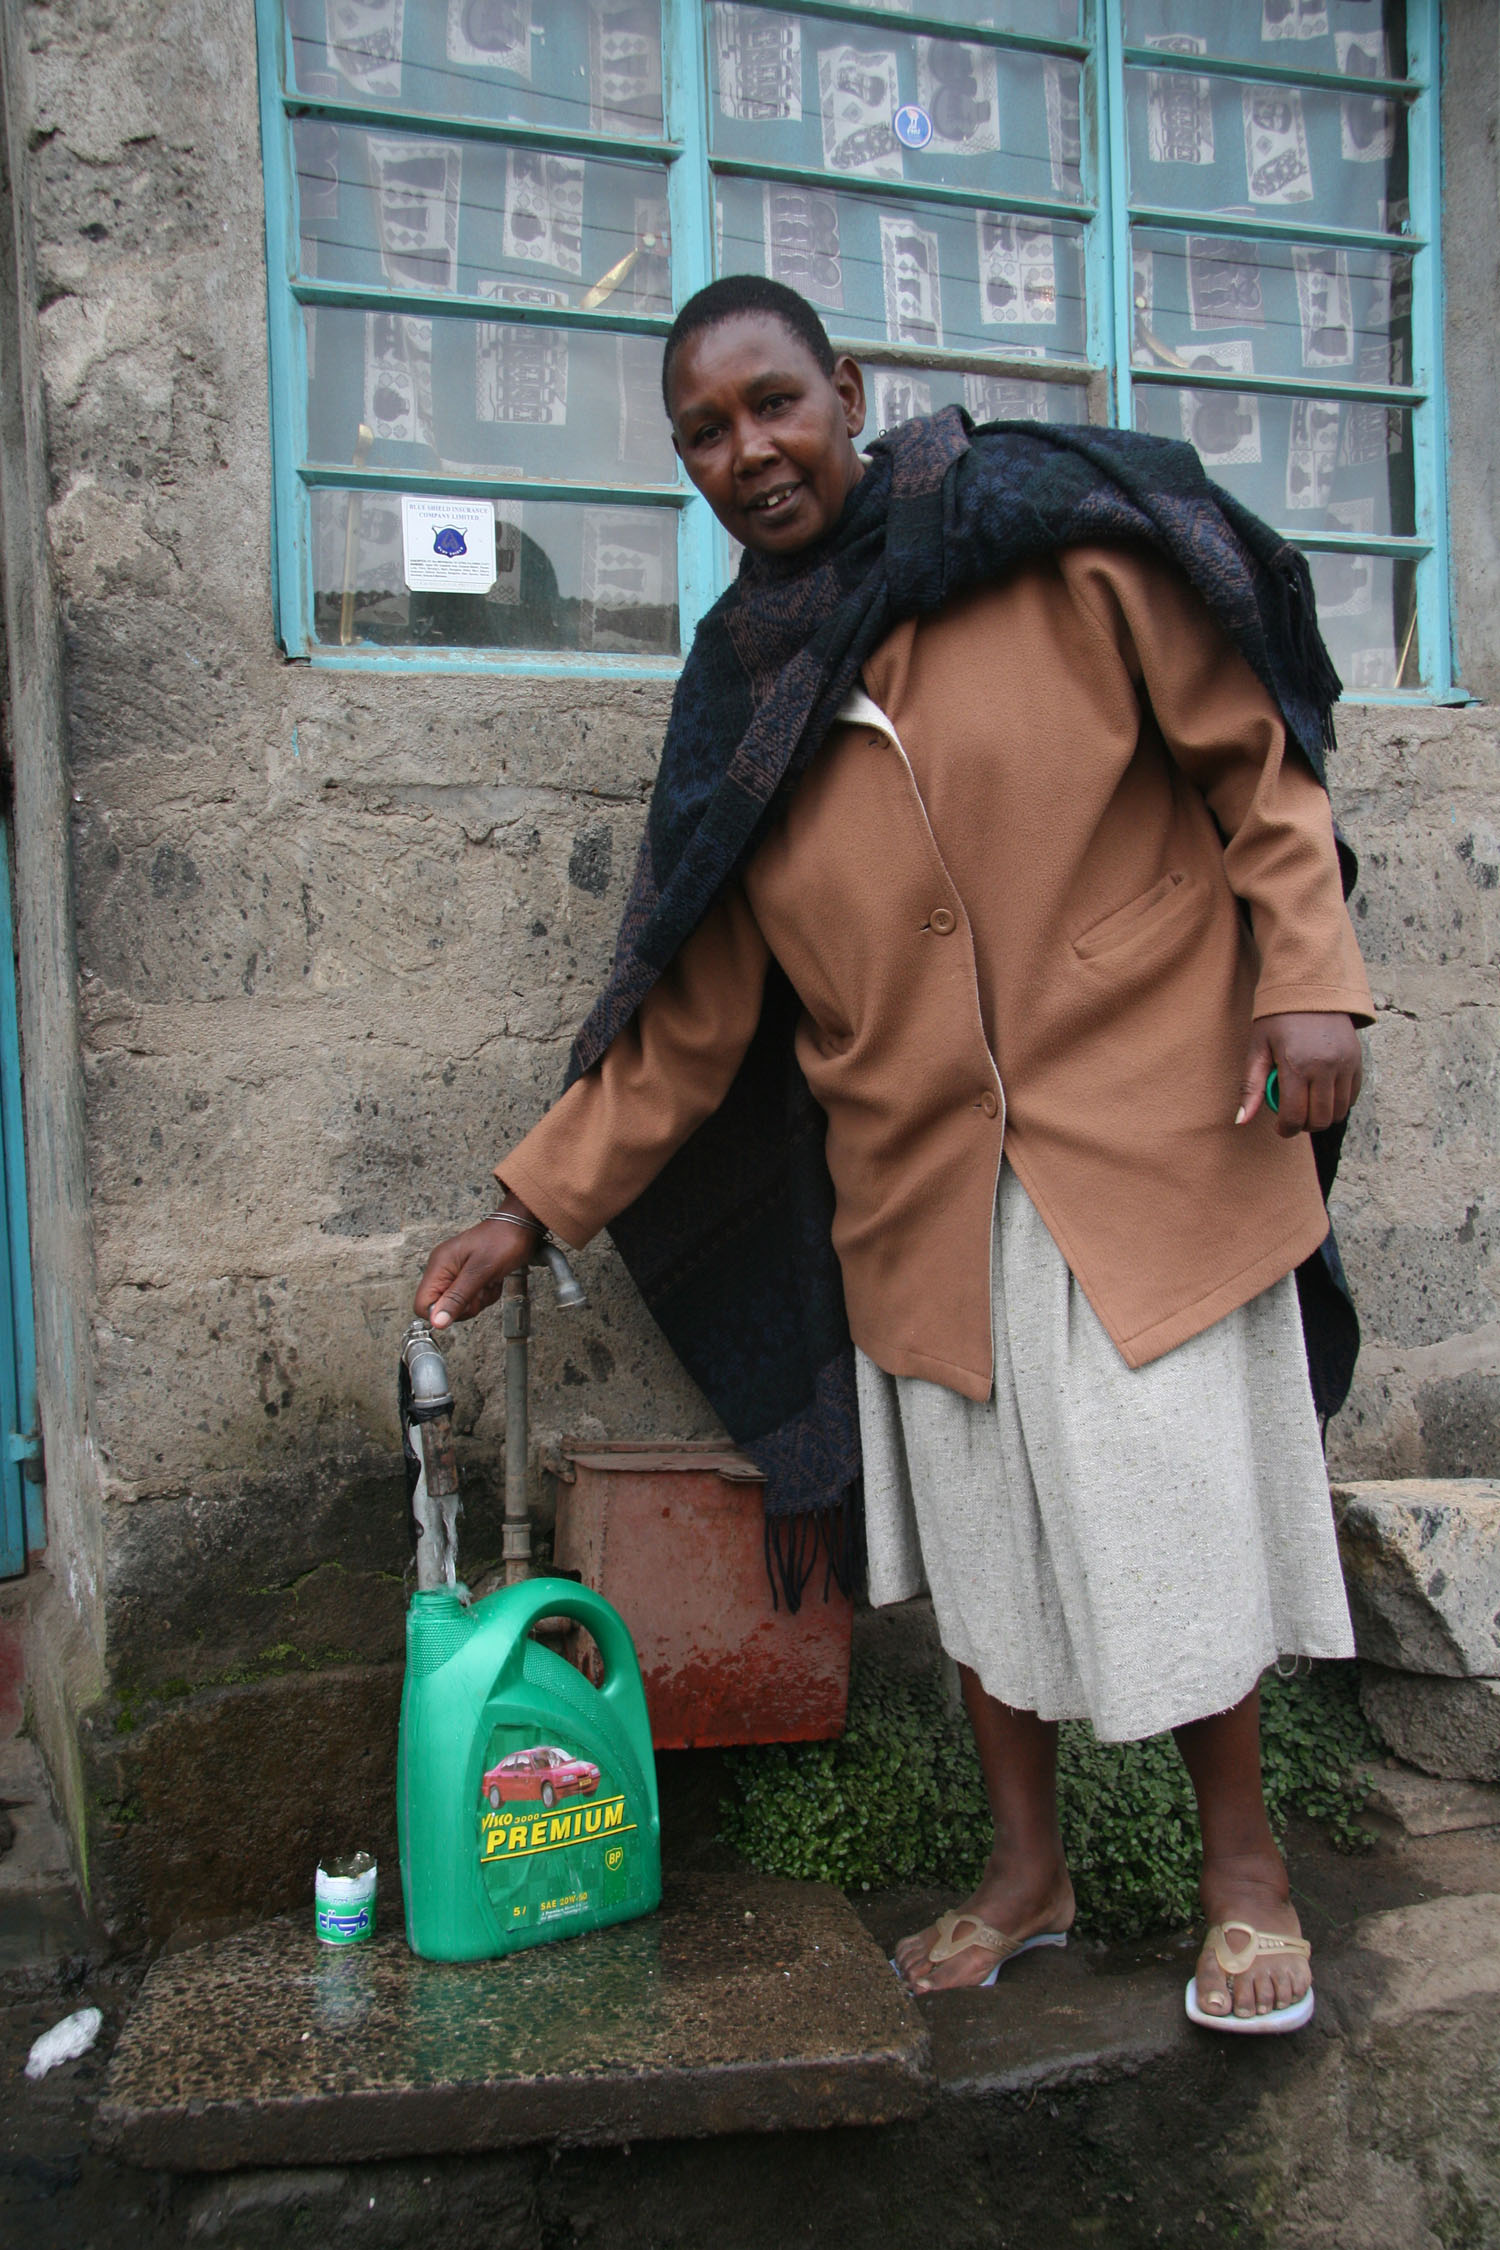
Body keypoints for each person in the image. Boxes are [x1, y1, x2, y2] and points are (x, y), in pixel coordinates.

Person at [416, 278, 1371, 2033]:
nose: (748, 453)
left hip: (1144, 1121)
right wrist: (523, 1205)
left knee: (1173, 1508)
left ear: (847, 389)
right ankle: (1027, 1871)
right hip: (922, 1180)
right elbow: (690, 1016)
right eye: (704, 432)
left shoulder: (1049, 544)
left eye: (774, 403)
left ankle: (1243, 1869)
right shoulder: (745, 699)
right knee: (986, 1541)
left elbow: (1254, 756)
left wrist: (1310, 979)